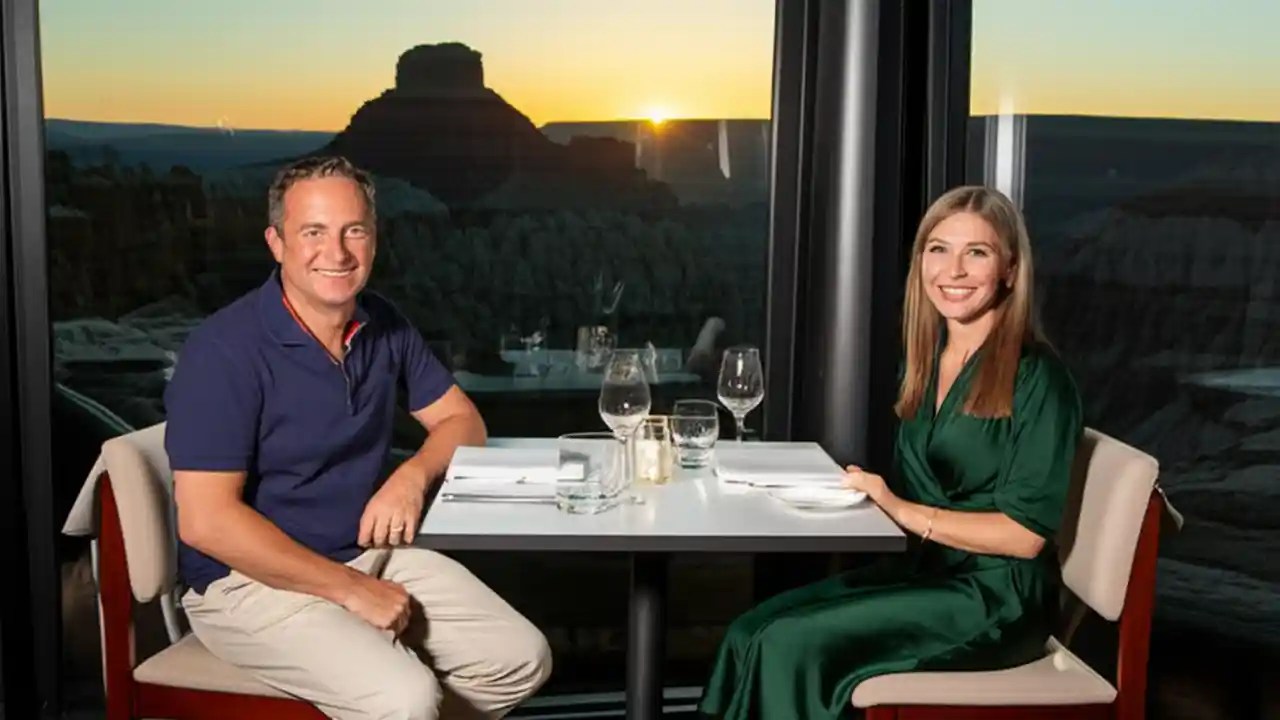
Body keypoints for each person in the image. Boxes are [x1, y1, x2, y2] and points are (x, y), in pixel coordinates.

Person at [164, 156, 552, 720]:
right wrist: (346, 589)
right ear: (276, 242)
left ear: (373, 239)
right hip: (248, 582)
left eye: (354, 231)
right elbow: (205, 521)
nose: (338, 253)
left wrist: (411, 478)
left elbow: (464, 422)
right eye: (313, 232)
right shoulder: (224, 352)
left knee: (520, 658)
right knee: (406, 699)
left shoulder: (382, 322)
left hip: (364, 553)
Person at [698, 186, 1083, 719]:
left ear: (1010, 271)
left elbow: (1024, 537)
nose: (954, 270)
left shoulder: (1040, 379)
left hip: (996, 599)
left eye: (978, 252)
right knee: (749, 631)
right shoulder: (928, 360)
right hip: (927, 575)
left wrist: (898, 509)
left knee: (788, 645)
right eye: (938, 249)